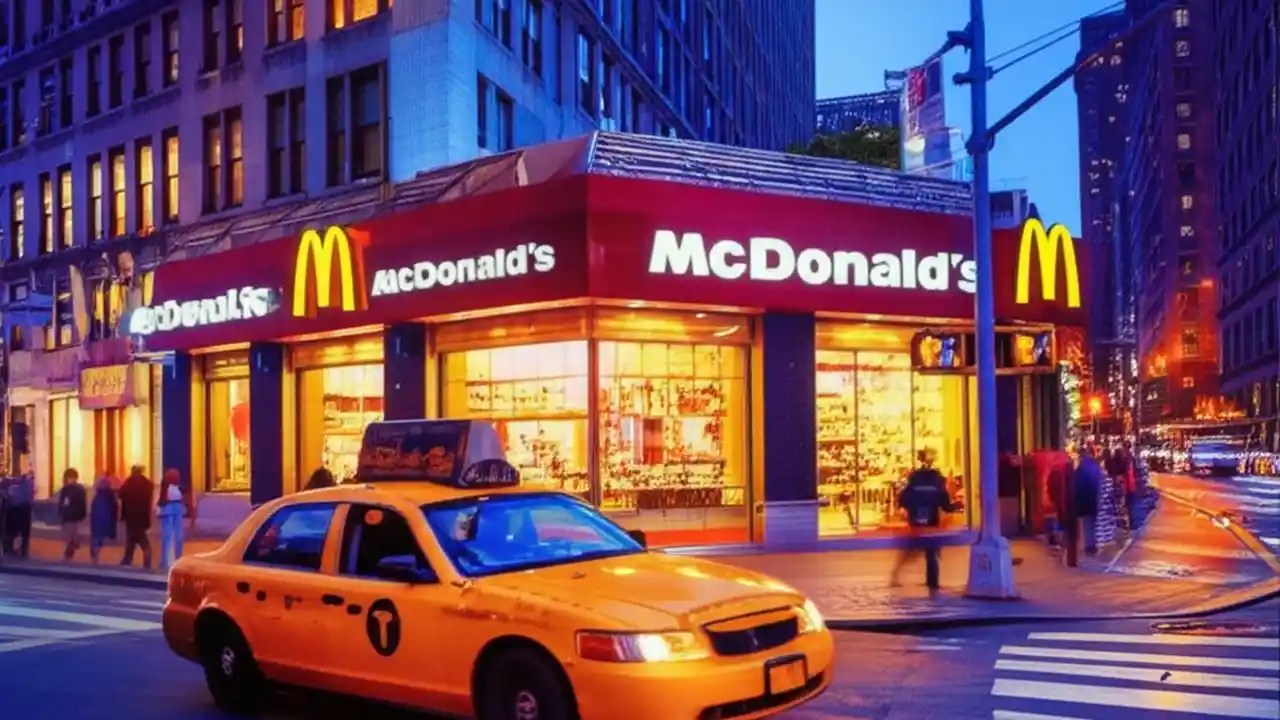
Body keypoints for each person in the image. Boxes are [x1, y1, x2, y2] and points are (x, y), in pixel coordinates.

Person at [891, 448, 957, 590]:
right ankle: (932, 583)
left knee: (910, 550)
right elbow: (945, 505)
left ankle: (895, 575)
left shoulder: (914, 481)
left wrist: (907, 510)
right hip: (931, 521)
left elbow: (903, 499)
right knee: (931, 552)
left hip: (916, 521)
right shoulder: (937, 484)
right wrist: (955, 506)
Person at [118, 465, 154, 569]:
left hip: (130, 515)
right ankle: (131, 560)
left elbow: (121, 494)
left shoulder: (129, 482)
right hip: (142, 515)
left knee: (136, 539)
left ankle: (129, 560)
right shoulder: (147, 483)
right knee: (135, 538)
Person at [1073, 443, 1105, 556]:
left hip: (1084, 498)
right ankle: (1093, 543)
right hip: (1094, 498)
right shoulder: (1096, 468)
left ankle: (1089, 545)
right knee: (1093, 522)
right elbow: (1101, 483)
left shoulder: (1081, 469)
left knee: (1087, 523)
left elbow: (1076, 483)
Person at [157, 469, 191, 570]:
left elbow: (162, 501)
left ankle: (168, 560)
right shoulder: (171, 488)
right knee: (173, 537)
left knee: (171, 538)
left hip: (171, 512)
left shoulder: (169, 488)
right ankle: (170, 560)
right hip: (173, 512)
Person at [56, 468, 88, 560]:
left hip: (69, 516)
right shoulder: (78, 490)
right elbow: (82, 504)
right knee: (70, 536)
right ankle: (70, 551)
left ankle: (68, 553)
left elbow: (63, 504)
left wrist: (62, 512)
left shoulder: (68, 490)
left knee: (68, 537)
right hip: (73, 516)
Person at [89, 473, 119, 564]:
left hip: (97, 519)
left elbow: (93, 510)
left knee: (96, 537)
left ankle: (94, 556)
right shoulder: (109, 496)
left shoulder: (97, 497)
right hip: (105, 520)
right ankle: (95, 556)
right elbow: (114, 508)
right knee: (99, 538)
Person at [6, 473, 34, 558]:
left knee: (16, 532)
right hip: (22, 510)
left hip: (17, 509)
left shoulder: (13, 486)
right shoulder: (27, 485)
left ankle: (18, 550)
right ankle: (21, 550)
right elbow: (30, 496)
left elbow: (10, 498)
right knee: (22, 532)